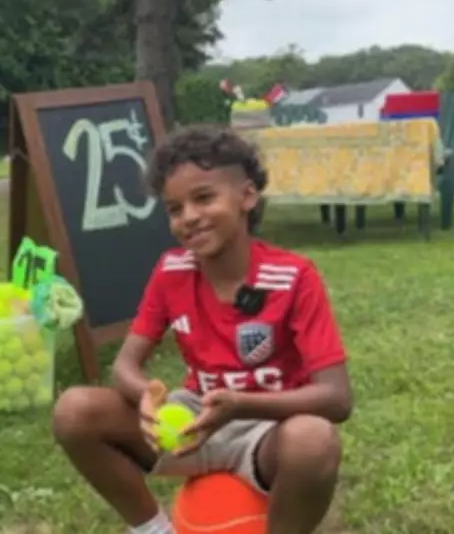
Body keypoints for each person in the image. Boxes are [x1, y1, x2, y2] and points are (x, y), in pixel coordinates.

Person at [52, 124, 353, 534]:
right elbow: (124, 366)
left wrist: (239, 404)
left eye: (204, 198)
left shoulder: (293, 277)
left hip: (268, 429)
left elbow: (336, 398)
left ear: (247, 196)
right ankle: (154, 530)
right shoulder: (171, 271)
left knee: (313, 439)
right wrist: (146, 396)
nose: (189, 217)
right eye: (174, 209)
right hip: (192, 422)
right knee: (74, 410)